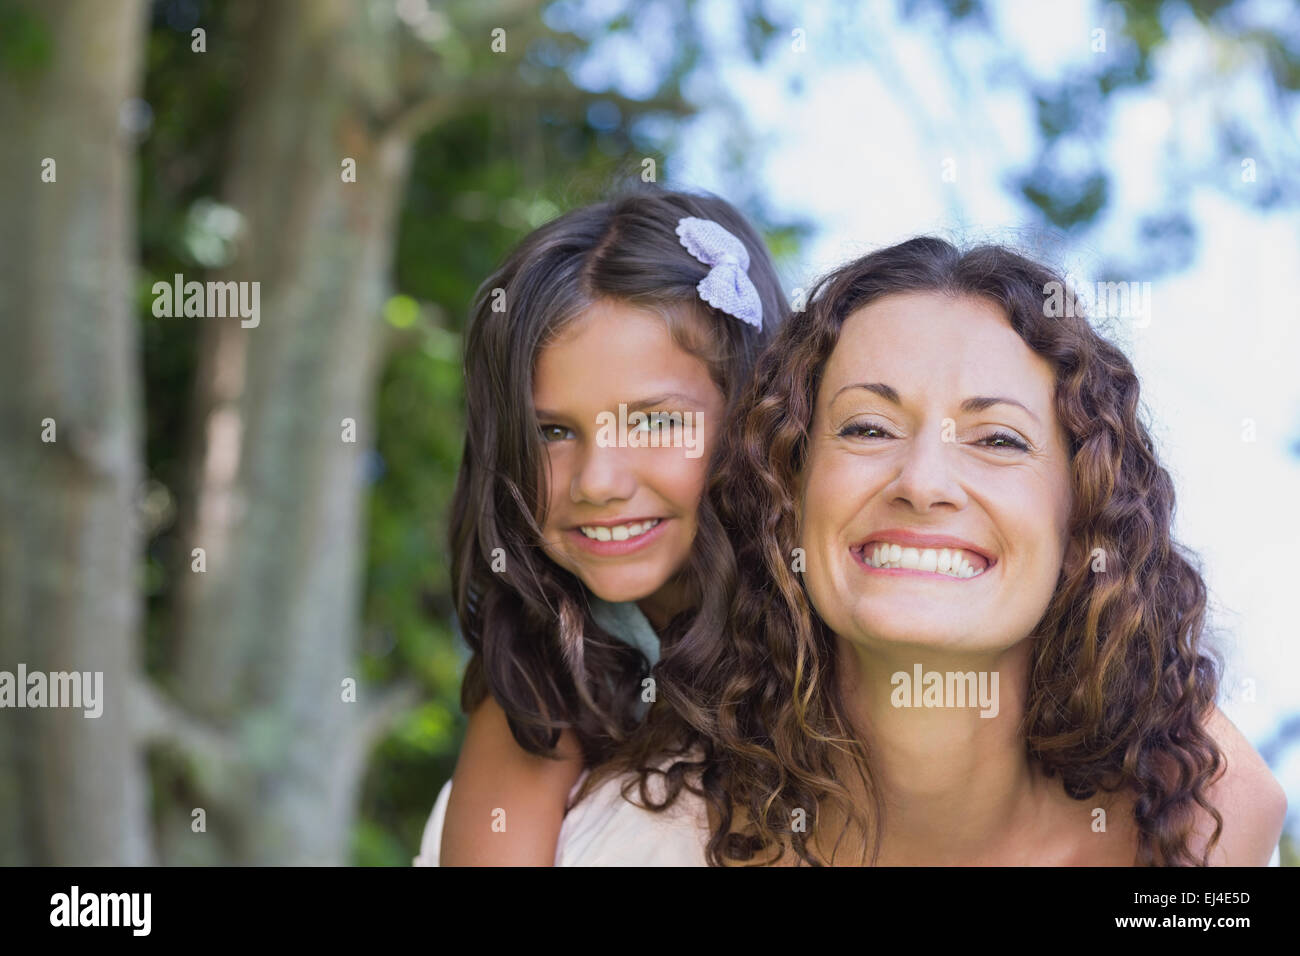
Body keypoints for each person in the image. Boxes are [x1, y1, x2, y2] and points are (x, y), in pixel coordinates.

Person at [563, 236, 1286, 866]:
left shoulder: (1191, 831)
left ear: (1082, 523)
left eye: (999, 439)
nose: (923, 482)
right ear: (788, 493)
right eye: (868, 429)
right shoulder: (645, 837)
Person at [413, 184, 788, 865]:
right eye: (552, 431)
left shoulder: (831, 641)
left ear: (753, 417)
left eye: (654, 420)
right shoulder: (551, 657)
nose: (599, 482)